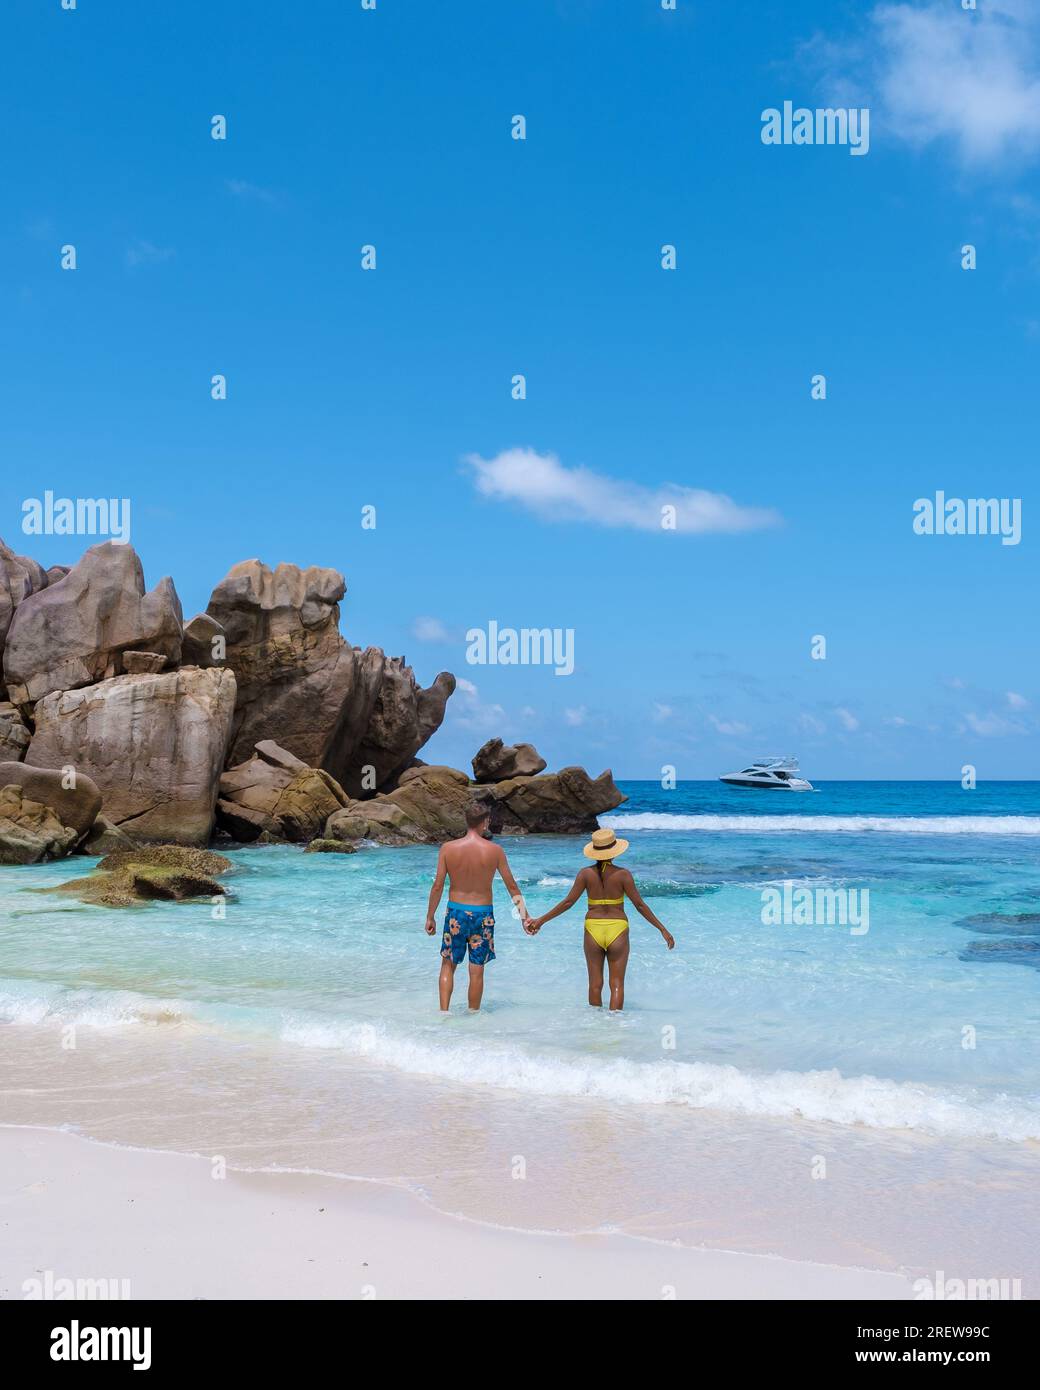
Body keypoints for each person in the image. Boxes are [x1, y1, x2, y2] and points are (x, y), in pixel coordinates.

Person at [526, 827, 673, 1010]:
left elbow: (568, 903)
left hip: (592, 928)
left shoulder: (585, 874)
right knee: (617, 984)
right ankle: (615, 1030)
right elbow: (640, 905)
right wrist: (662, 929)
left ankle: (596, 1029)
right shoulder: (623, 874)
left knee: (595, 985)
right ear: (615, 850)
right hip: (617, 928)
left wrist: (540, 921)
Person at [425, 801, 531, 1012]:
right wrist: (524, 917)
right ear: (486, 822)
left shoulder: (448, 849)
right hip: (483, 916)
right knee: (477, 970)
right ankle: (473, 1017)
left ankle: (444, 1013)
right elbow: (511, 886)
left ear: (467, 821)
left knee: (448, 964)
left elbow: (437, 886)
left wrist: (430, 916)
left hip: (455, 913)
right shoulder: (495, 851)